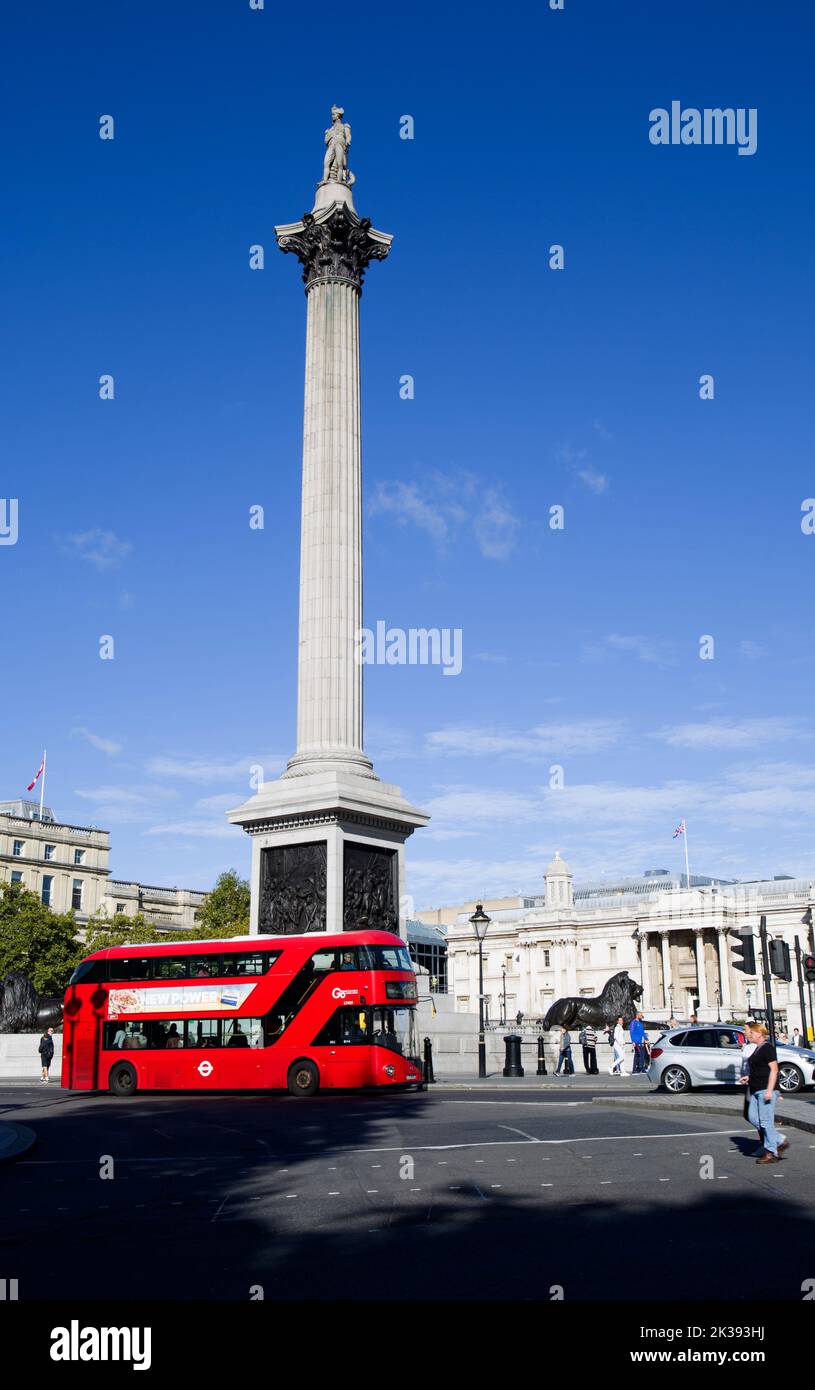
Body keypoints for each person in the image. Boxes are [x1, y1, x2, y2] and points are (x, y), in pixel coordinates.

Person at [739, 1021, 788, 1163]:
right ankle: (778, 1139)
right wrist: (748, 1077)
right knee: (752, 1117)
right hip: (755, 1088)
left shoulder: (767, 1048)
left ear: (759, 1033)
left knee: (766, 1122)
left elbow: (774, 1069)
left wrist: (770, 1090)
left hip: (765, 1089)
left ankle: (771, 1153)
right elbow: (760, 1069)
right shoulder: (757, 1048)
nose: (747, 1034)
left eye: (750, 1032)